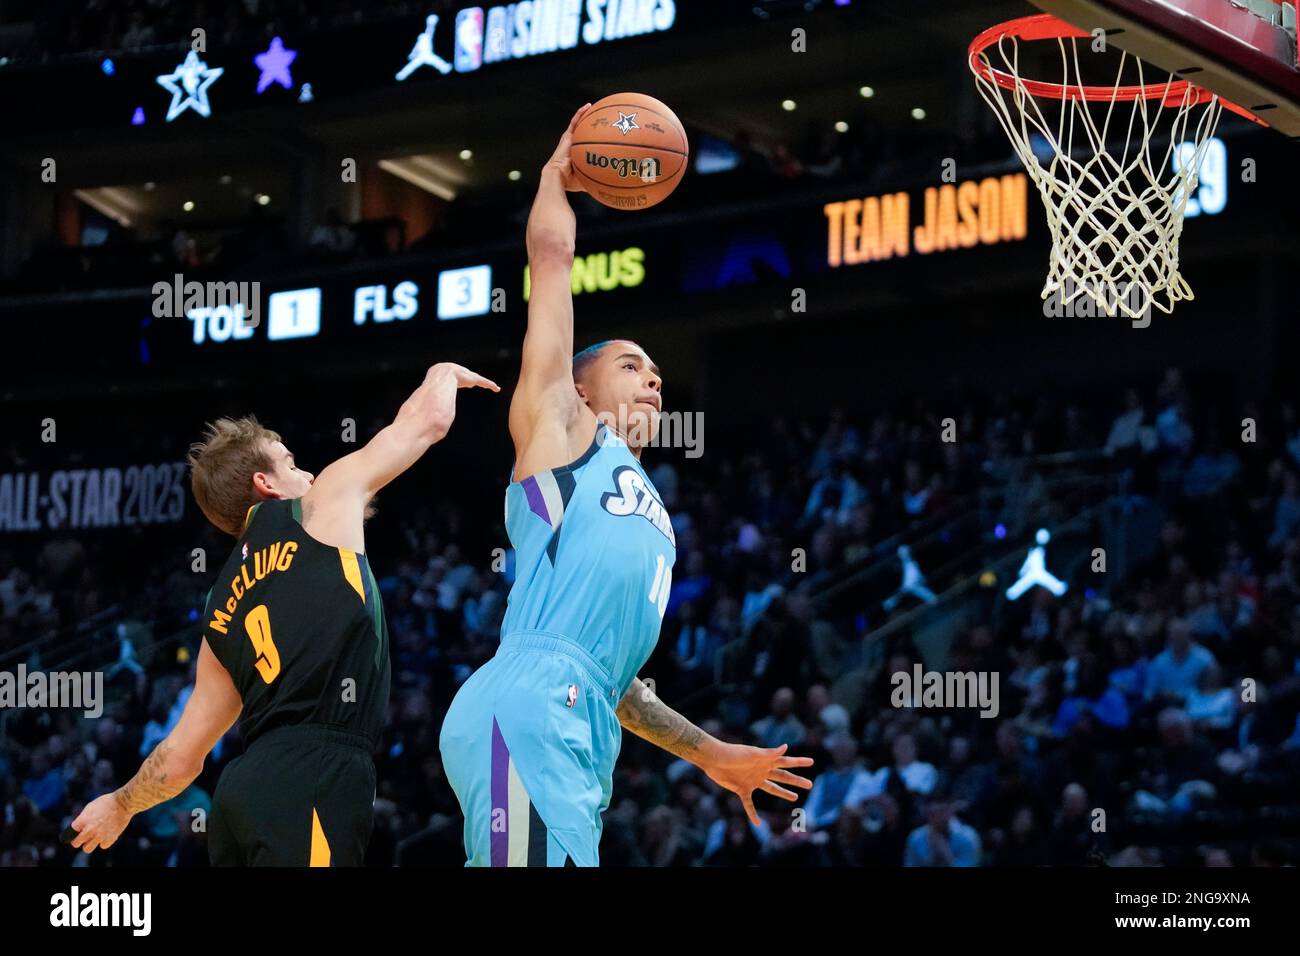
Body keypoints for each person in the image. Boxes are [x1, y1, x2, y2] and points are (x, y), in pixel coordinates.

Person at [439, 105, 813, 867]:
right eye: (631, 364)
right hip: (534, 704)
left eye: (657, 371)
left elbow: (621, 689)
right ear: (578, 384)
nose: (654, 376)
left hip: (577, 720)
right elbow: (549, 260)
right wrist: (555, 179)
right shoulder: (559, 426)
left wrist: (709, 752)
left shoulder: (647, 501)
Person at [68, 362, 498, 865]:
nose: (309, 473)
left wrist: (121, 805)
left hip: (242, 794)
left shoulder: (218, 607)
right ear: (265, 484)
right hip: (316, 772)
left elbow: (182, 759)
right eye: (292, 464)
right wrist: (441, 372)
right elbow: (426, 423)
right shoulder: (319, 504)